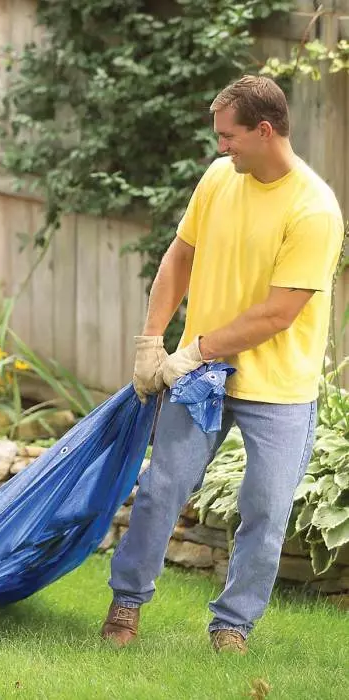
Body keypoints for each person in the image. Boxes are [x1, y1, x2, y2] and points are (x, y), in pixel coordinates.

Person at [100, 75, 345, 654]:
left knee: (263, 511)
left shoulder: (314, 209)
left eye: (228, 136)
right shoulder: (218, 179)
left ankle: (231, 625)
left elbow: (278, 313)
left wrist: (193, 350)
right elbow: (179, 256)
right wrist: (151, 339)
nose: (220, 148)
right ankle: (126, 605)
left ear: (264, 131)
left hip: (279, 388)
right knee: (163, 490)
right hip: (203, 378)